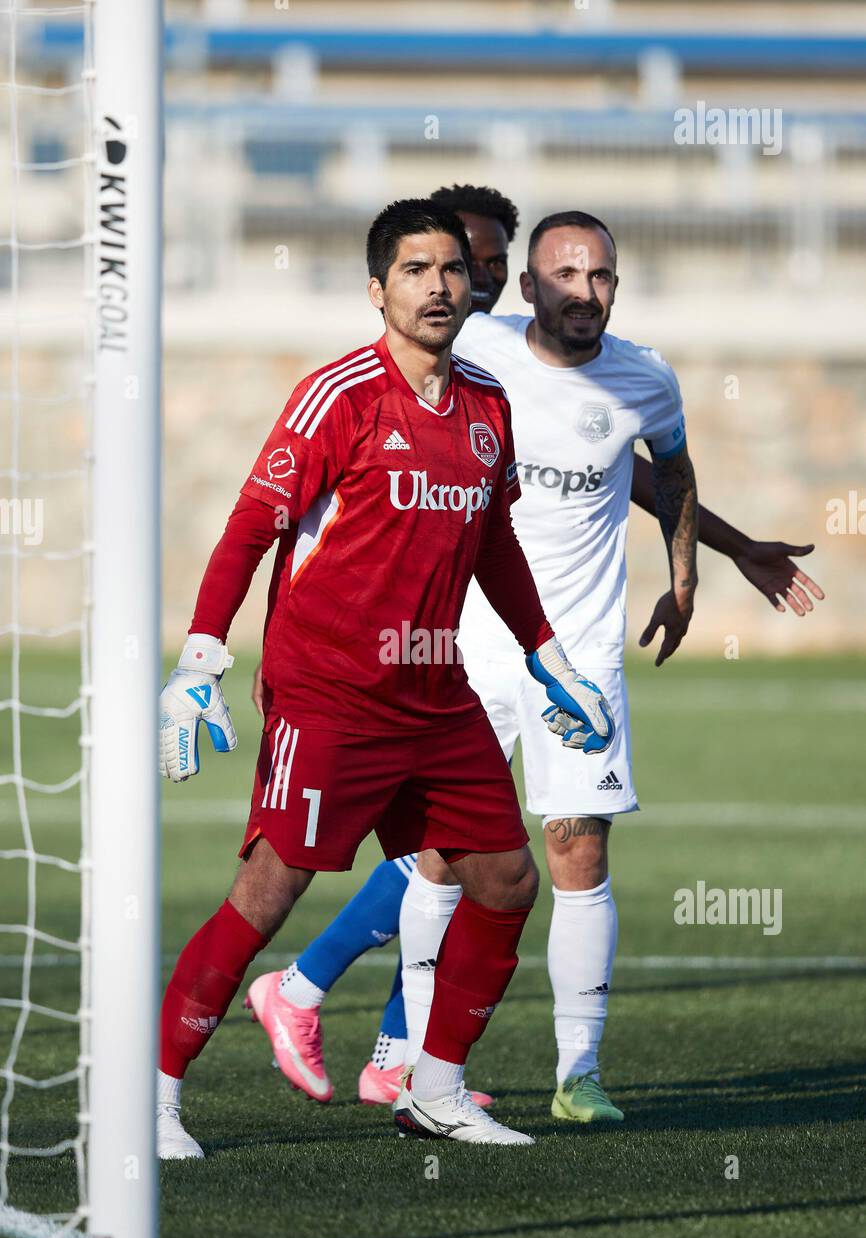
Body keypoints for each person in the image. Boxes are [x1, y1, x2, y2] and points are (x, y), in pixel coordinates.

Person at [256, 187, 824, 1121]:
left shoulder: (640, 380)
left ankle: (573, 1074)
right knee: (445, 855)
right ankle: (361, 1029)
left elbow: (653, 470)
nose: (584, 289)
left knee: (574, 848)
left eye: (600, 275)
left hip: (582, 651)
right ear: (524, 282)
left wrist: (703, 567)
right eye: (561, 273)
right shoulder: (466, 353)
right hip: (466, 644)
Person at [156, 197, 617, 1157]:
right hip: (328, 693)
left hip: (435, 693)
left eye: (451, 269)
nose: (440, 285)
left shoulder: (488, 406)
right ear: (378, 291)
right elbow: (253, 527)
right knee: (267, 896)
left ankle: (435, 1089)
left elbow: (493, 541)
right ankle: (153, 1096)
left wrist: (548, 655)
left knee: (505, 880)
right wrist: (201, 656)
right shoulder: (340, 396)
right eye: (415, 270)